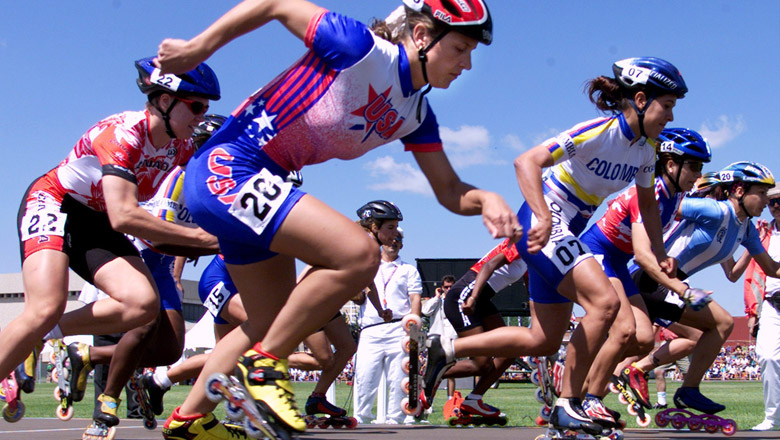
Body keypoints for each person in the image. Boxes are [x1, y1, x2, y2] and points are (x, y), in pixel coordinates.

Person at [154, 0, 522, 438]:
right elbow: (274, 4)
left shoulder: (416, 113)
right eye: (461, 48)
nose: (467, 63)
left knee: (267, 320)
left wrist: (486, 199)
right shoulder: (359, 48)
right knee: (359, 252)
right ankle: (266, 369)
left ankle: (189, 420)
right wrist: (198, 48)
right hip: (228, 168)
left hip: (257, 184)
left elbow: (448, 191)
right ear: (422, 36)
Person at [423, 56, 686, 435]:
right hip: (545, 223)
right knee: (606, 304)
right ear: (641, 99)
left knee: (542, 339)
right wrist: (543, 215)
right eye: (668, 106)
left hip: (566, 230)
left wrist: (660, 255)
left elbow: (647, 207)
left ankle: (446, 350)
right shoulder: (599, 131)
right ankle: (568, 404)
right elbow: (526, 162)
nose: (671, 117)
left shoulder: (645, 152)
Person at [0, 57, 220, 425]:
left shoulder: (177, 148)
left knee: (142, 305)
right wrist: (205, 239)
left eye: (206, 109)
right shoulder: (123, 133)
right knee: (45, 306)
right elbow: (125, 216)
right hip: (56, 201)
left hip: (96, 220)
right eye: (196, 107)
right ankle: (36, 330)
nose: (201, 117)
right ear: (164, 101)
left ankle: (40, 338)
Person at [577, 127, 710, 425]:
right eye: (693, 165)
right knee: (624, 329)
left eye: (701, 167)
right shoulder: (648, 191)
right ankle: (590, 401)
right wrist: (681, 289)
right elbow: (642, 255)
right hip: (597, 253)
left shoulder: (676, 197)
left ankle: (577, 388)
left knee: (644, 339)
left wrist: (668, 262)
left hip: (618, 262)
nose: (697, 173)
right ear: (671, 164)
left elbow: (655, 250)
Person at [629, 161, 780, 415]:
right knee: (722, 322)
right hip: (650, 277)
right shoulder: (714, 210)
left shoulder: (747, 229)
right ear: (740, 190)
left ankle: (586, 393)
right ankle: (687, 390)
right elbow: (653, 206)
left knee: (638, 345)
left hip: (668, 285)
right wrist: (649, 246)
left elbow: (771, 267)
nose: (767, 201)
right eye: (762, 193)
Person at [437, 238, 527, 419]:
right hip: (465, 297)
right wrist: (474, 297)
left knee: (511, 350)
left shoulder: (535, 255)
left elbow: (531, 288)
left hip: (482, 300)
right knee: (481, 363)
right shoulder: (523, 240)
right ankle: (427, 378)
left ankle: (473, 400)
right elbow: (488, 266)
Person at [353, 227, 423, 425]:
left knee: (398, 378)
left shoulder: (408, 269)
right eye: (391, 238)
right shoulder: (369, 266)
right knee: (365, 376)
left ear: (402, 244)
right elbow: (358, 296)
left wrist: (414, 330)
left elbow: (415, 298)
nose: (394, 242)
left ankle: (395, 418)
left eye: (398, 239)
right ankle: (362, 417)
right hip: (370, 328)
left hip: (399, 329)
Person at [743, 184, 780, 431]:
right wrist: (752, 311)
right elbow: (752, 274)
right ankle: (772, 418)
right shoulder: (762, 233)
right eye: (771, 201)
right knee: (767, 356)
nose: (776, 206)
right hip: (771, 303)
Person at [421, 275, 456, 399]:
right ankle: (427, 399)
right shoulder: (437, 301)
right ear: (442, 288)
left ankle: (450, 400)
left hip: (451, 339)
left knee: (451, 371)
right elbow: (425, 311)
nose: (449, 289)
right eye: (446, 287)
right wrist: (437, 297)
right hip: (436, 339)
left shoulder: (458, 301)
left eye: (451, 286)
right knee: (431, 372)